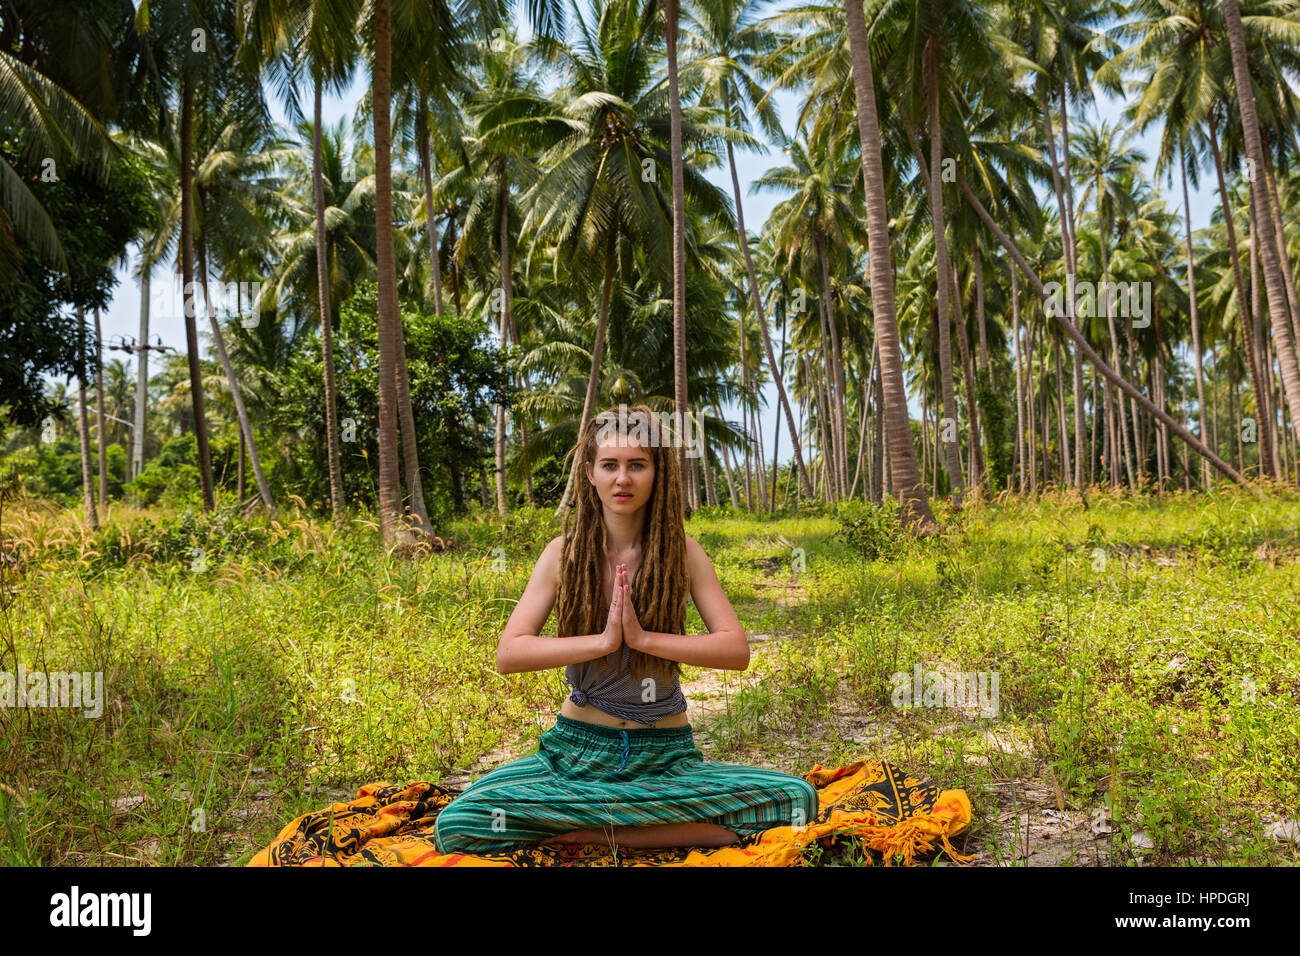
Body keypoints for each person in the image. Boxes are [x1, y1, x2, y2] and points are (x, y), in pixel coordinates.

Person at [433, 404, 819, 855]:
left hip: (664, 756)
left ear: (659, 474)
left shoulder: (684, 553)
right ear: (590, 474)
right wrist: (601, 642)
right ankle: (659, 827)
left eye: (637, 465)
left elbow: (735, 651)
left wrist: (642, 638)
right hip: (574, 755)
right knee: (460, 822)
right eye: (610, 465)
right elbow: (510, 654)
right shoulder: (563, 555)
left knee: (797, 799)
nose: (623, 479)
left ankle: (592, 832)